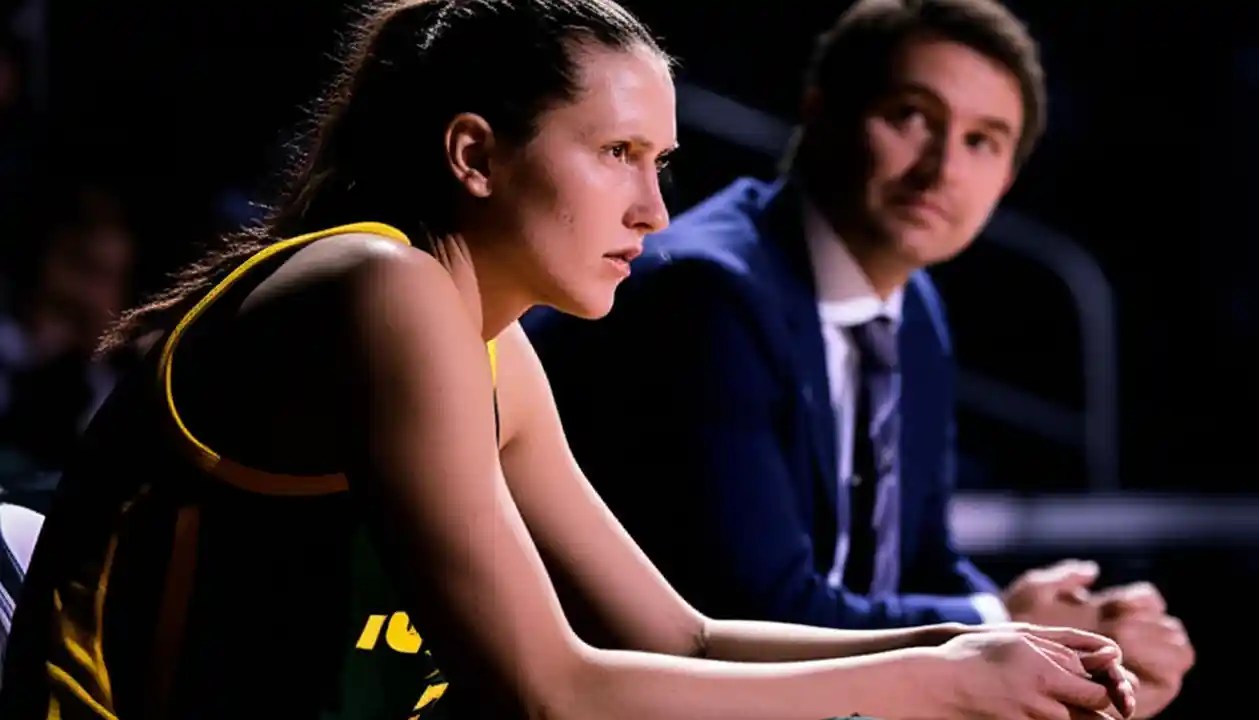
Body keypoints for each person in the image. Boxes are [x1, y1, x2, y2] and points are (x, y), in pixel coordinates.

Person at [0, 1, 1135, 718]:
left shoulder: (488, 345)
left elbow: (676, 632)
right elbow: (549, 688)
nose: (653, 208)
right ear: (473, 156)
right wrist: (936, 682)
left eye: (663, 160)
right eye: (618, 154)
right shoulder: (378, 288)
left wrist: (967, 643)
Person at [524, 0, 1191, 717]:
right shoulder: (709, 292)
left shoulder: (915, 309)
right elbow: (757, 610)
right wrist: (1003, 626)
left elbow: (919, 559)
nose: (940, 169)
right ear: (820, 112)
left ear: (1007, 178)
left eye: (983, 142)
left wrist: (1058, 623)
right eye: (912, 117)